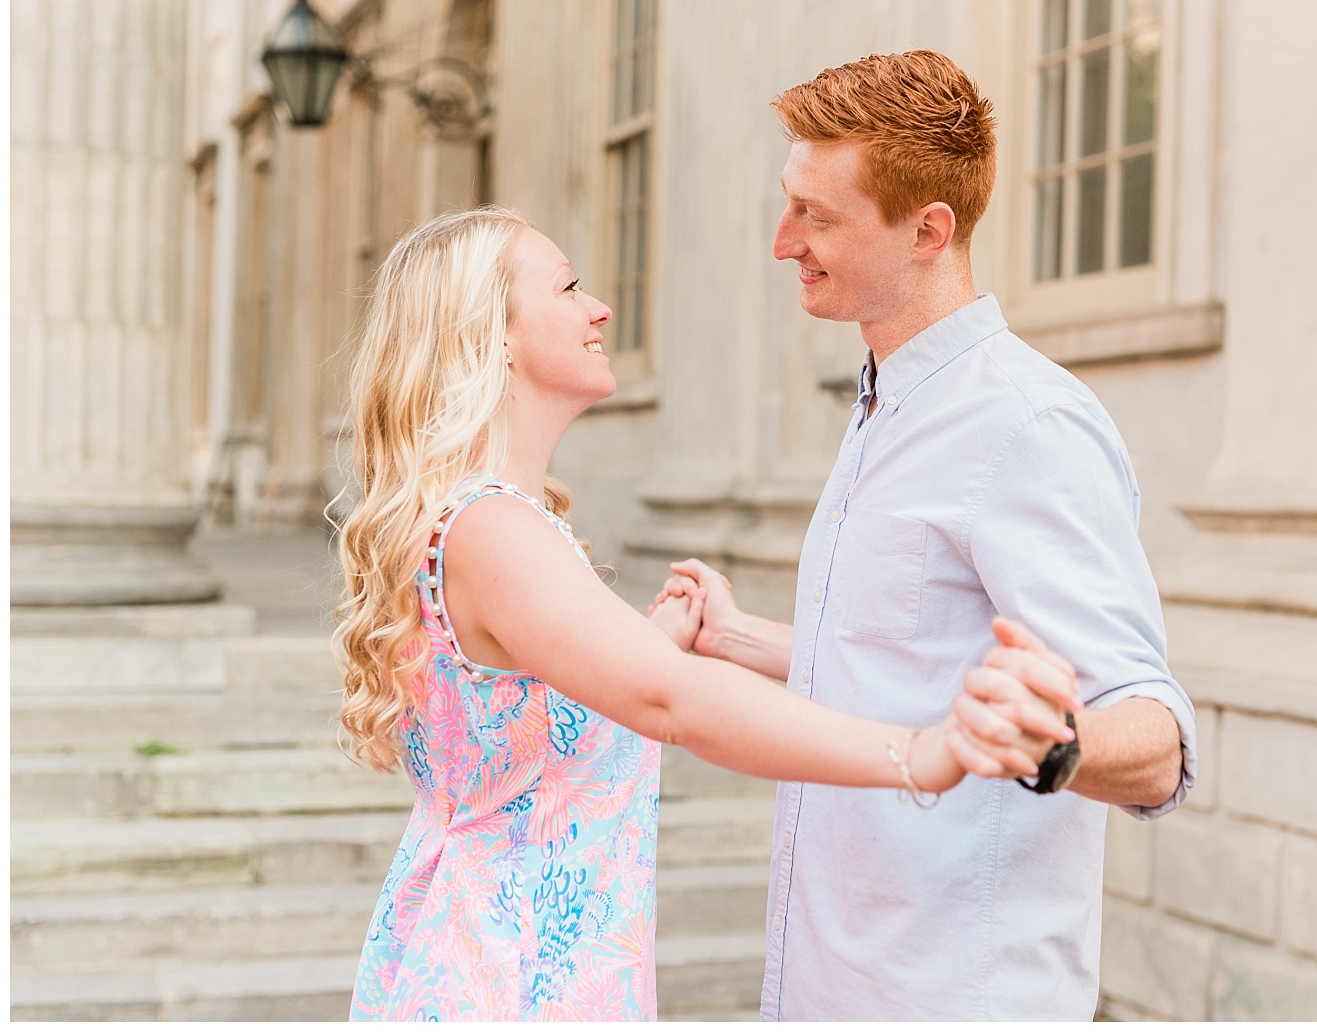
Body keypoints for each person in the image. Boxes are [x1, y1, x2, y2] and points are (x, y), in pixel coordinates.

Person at [332, 206, 1077, 1021]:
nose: (599, 308)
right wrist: (924, 754)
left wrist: (670, 640)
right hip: (507, 980)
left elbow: (534, 728)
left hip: (500, 960)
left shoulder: (479, 520)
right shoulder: (493, 529)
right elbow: (668, 700)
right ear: (493, 336)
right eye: (569, 287)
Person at [651, 50, 1197, 1020]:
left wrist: (1051, 741)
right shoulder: (882, 402)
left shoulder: (1027, 424)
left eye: (816, 215)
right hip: (827, 982)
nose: (784, 242)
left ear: (927, 231)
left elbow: (1156, 742)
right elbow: (902, 660)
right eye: (789, 204)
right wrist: (741, 639)